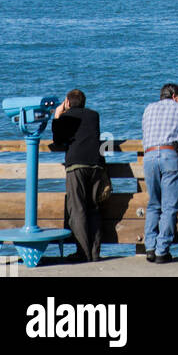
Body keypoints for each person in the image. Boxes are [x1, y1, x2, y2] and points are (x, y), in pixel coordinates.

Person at [51, 89, 105, 262]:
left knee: (77, 209)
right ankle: (95, 253)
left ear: (67, 102)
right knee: (94, 208)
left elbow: (58, 140)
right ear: (84, 102)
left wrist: (57, 115)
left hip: (76, 165)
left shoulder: (67, 117)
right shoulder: (94, 115)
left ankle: (83, 253)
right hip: (96, 164)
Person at [141, 82, 178, 264]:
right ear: (175, 96)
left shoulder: (148, 108)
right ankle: (162, 250)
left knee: (154, 203)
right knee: (169, 206)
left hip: (149, 156)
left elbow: (145, 134)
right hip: (169, 154)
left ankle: (150, 247)